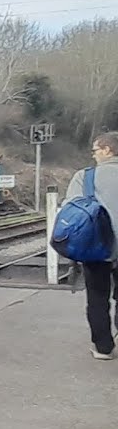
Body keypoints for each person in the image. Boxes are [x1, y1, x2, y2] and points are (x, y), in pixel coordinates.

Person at [65, 131, 118, 359]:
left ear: (108, 150)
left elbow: (71, 210)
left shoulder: (84, 177)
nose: (93, 154)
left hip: (96, 246)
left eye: (96, 150)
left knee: (97, 297)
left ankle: (103, 348)